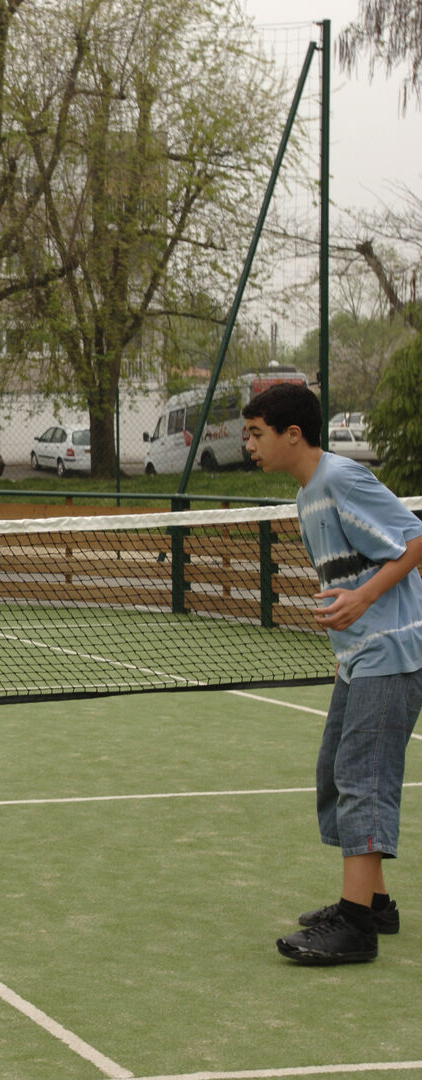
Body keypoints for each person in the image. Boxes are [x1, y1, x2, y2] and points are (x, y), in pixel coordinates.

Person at [242, 384, 422, 965]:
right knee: (334, 774)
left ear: (292, 434)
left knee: (360, 777)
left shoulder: (342, 478)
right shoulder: (307, 494)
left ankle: (355, 929)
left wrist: (363, 599)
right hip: (357, 656)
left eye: (256, 433)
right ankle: (374, 904)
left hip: (391, 652)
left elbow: (416, 538)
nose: (249, 445)